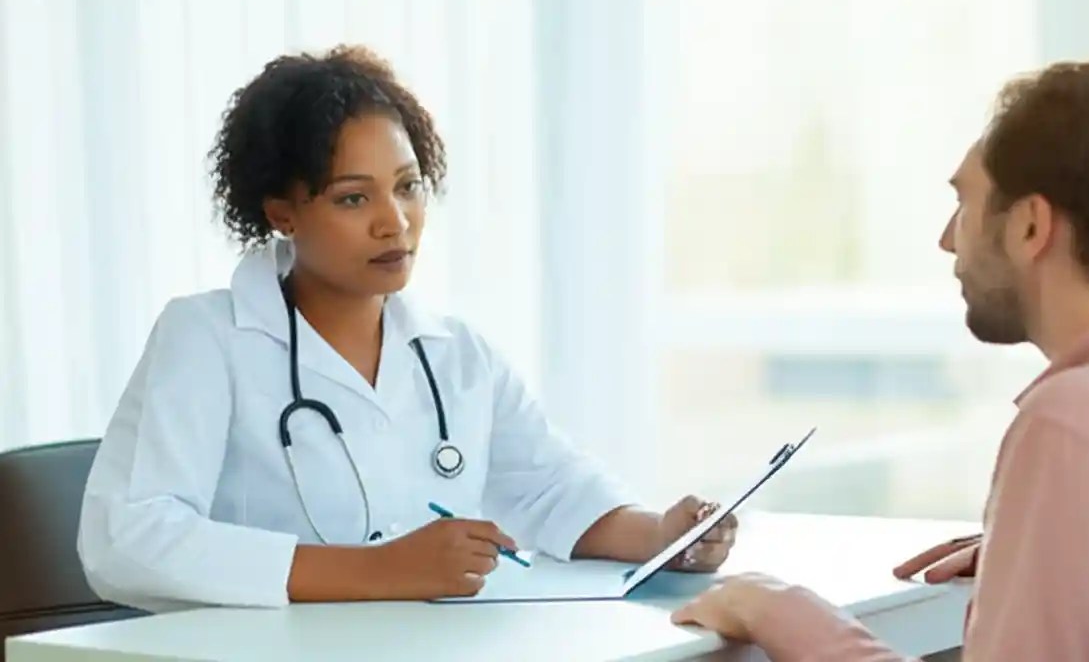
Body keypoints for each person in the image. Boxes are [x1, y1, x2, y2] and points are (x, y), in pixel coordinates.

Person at [77, 45, 736, 613]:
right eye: (353, 198)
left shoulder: (455, 355)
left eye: (408, 186)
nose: (394, 222)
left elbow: (549, 489)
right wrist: (377, 571)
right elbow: (126, 540)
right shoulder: (207, 338)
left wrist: (664, 537)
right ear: (282, 213)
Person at [671, 62, 1089, 660]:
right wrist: (1050, 553)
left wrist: (783, 614)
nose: (947, 239)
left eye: (964, 203)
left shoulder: (1078, 423)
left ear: (1031, 226)